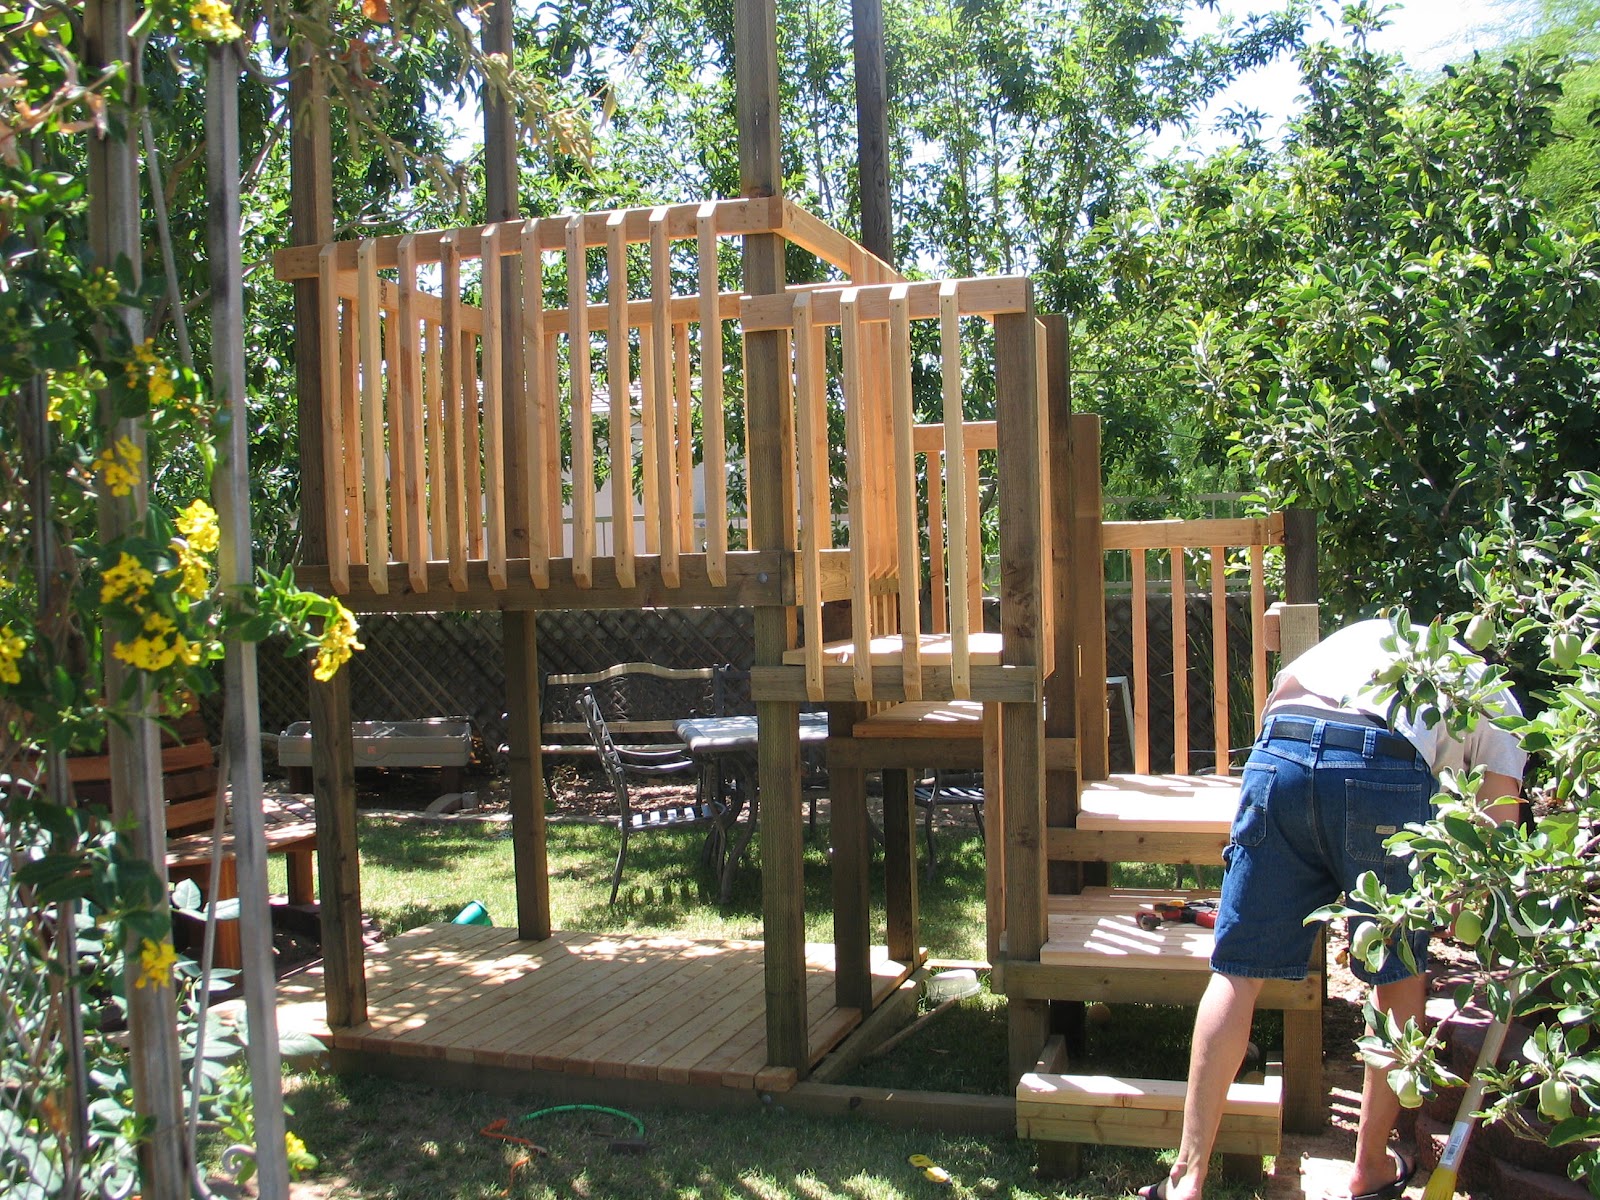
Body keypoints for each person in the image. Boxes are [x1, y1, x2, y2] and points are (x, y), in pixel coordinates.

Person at [1139, 618, 1527, 1200]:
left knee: (1237, 972)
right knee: (1398, 977)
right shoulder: (1496, 701)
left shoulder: (1368, 637)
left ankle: (1186, 1176)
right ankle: (1370, 1167)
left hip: (1281, 753)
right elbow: (1496, 839)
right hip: (1383, 764)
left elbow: (1280, 709)